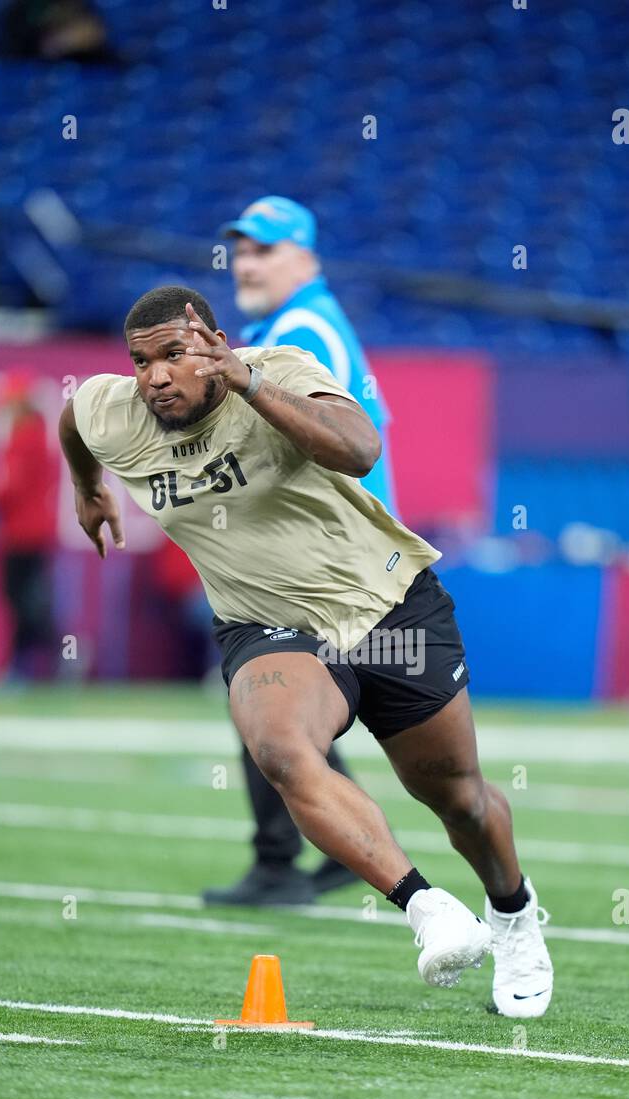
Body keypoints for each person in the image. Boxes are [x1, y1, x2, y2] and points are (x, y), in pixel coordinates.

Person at [57, 285, 553, 1018]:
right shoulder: (115, 410)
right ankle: (427, 909)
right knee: (282, 750)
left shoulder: (276, 366)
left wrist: (250, 384)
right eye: (141, 361)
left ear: (212, 343)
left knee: (457, 798)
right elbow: (74, 419)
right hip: (267, 624)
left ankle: (513, 916)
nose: (156, 376)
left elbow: (360, 448)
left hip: (387, 605)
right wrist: (88, 486)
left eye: (173, 354)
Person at [205, 195, 393, 907]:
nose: (246, 262)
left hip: (327, 553)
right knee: (271, 698)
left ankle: (283, 862)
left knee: (263, 688)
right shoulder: (288, 325)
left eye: (265, 250)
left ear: (307, 260)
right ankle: (316, 848)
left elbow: (339, 438)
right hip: (322, 551)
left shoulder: (304, 327)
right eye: (242, 250)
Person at [0, 370, 58, 679]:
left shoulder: (25, 437)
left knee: (21, 601)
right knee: (24, 600)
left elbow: (9, 487)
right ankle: (26, 664)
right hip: (28, 530)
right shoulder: (34, 434)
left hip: (24, 533)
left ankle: (25, 664)